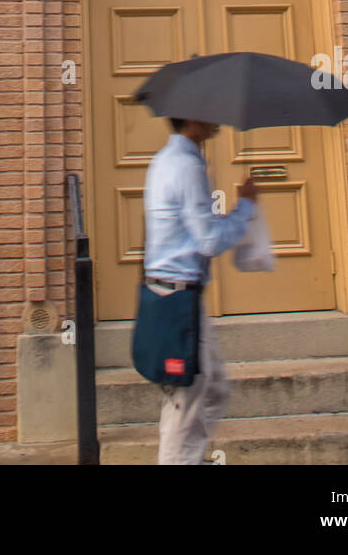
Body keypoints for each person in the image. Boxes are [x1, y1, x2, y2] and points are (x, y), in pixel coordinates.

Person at [143, 117, 258, 465]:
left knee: (209, 390)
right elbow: (208, 239)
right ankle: (179, 460)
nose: (217, 119)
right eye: (209, 112)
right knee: (188, 397)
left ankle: (186, 457)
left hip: (173, 293)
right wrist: (246, 208)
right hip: (178, 298)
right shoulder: (185, 166)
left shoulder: (167, 159)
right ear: (192, 117)